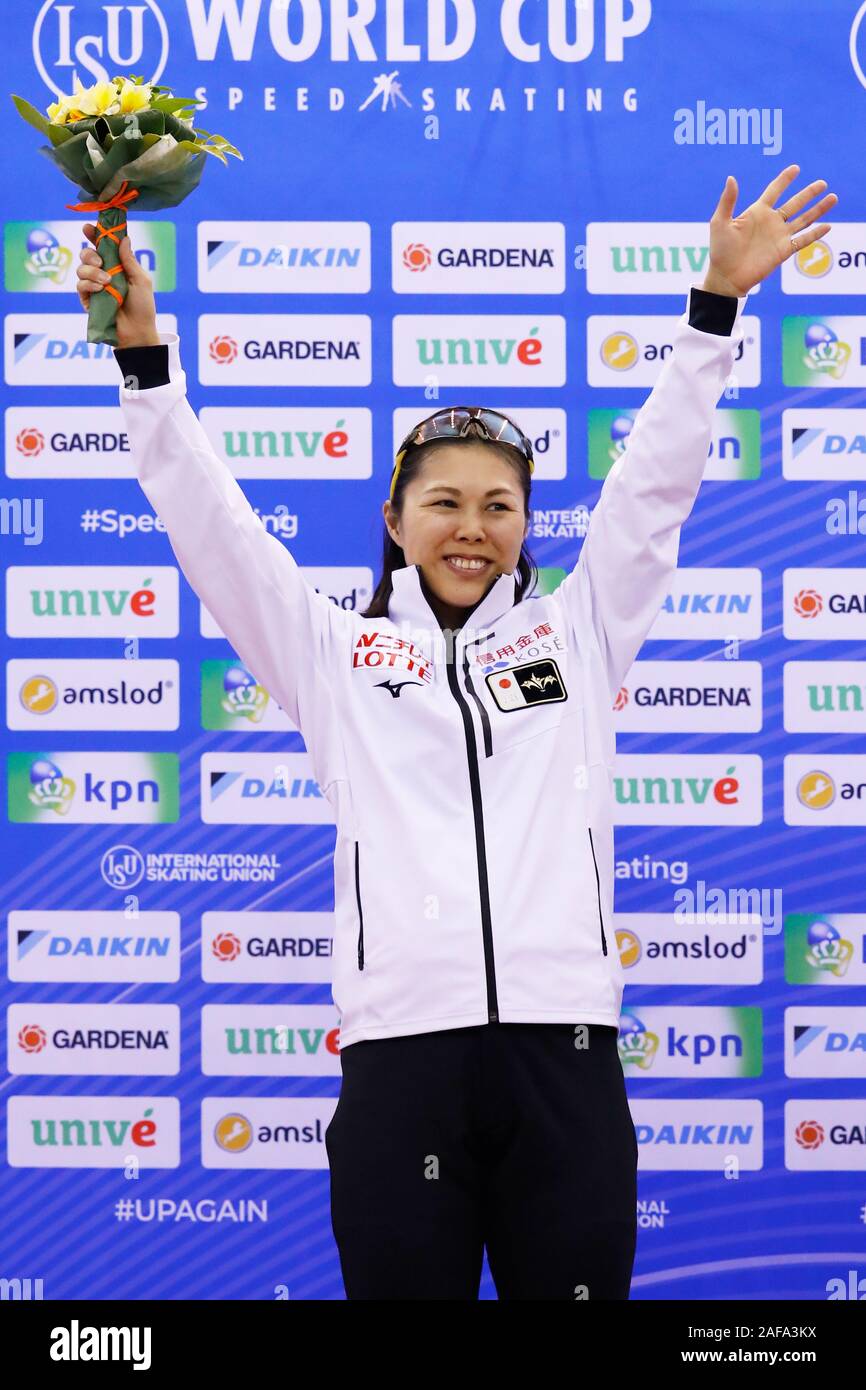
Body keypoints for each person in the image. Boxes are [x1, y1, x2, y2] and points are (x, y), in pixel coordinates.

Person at [76, 164, 835, 1301]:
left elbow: (651, 491)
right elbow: (214, 529)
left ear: (527, 526)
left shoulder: (576, 632)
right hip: (400, 1065)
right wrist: (144, 366)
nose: (470, 529)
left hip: (562, 1064)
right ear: (393, 520)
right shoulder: (328, 650)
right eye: (443, 502)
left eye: (498, 505)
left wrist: (712, 310)